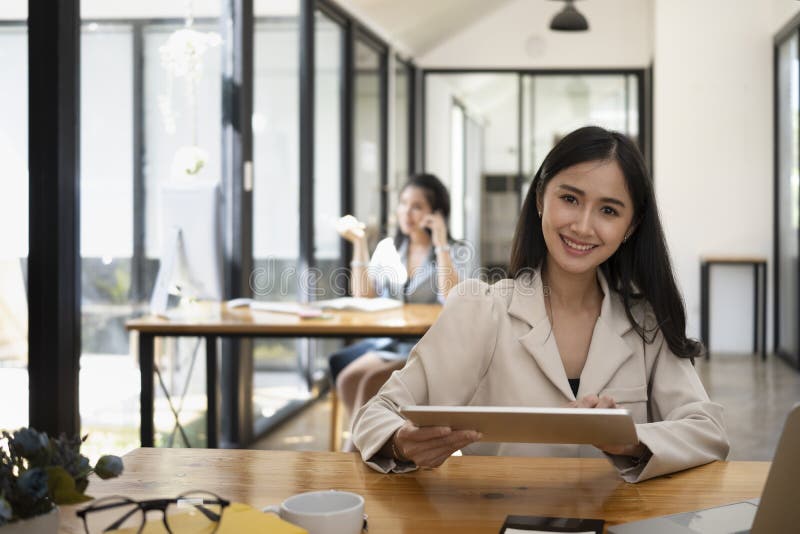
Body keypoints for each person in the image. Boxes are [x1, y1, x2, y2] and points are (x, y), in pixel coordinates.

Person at [351, 126, 729, 483]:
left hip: (623, 518)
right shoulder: (480, 309)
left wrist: (630, 441)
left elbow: (707, 431)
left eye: (608, 210)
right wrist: (400, 441)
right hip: (496, 515)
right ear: (539, 200)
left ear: (631, 226)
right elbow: (375, 416)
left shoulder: (646, 323)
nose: (583, 226)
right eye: (570, 199)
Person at [331, 174, 468, 442]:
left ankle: (358, 450)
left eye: (417, 206)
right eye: (403, 203)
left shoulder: (455, 250)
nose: (407, 212)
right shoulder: (389, 248)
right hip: (391, 342)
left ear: (436, 213)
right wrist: (359, 244)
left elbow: (451, 296)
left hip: (428, 346)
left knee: (369, 382)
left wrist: (441, 243)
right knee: (348, 379)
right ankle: (365, 445)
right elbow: (364, 296)